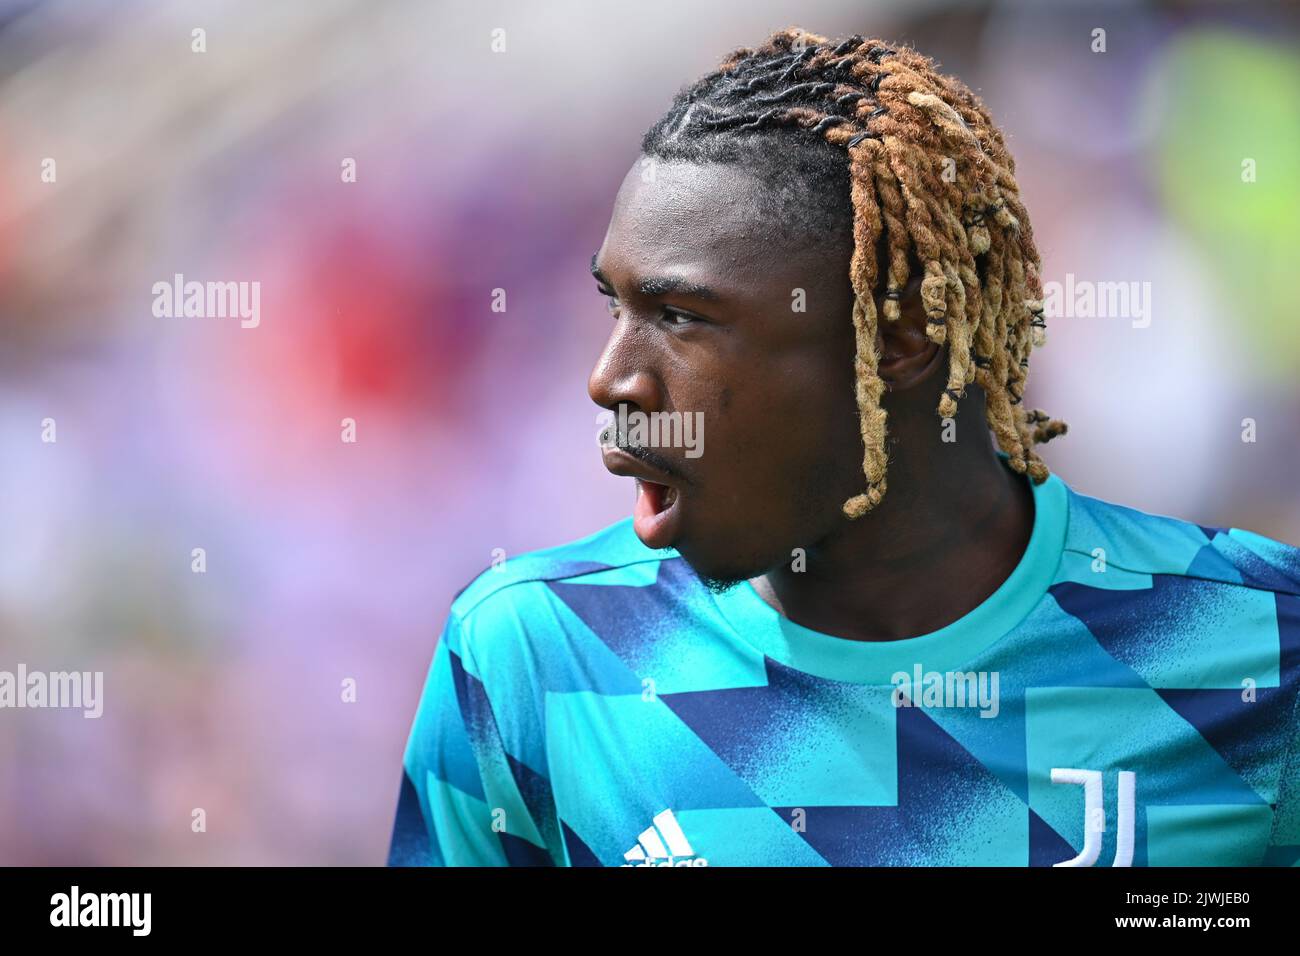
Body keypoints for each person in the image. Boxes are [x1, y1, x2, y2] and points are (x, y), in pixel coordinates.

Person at [387, 27, 1299, 867]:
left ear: (897, 338)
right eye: (613, 306)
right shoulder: (531, 657)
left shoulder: (1260, 647)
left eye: (679, 316)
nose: (610, 378)